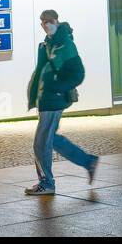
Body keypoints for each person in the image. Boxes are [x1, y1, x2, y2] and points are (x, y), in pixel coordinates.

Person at [25, 10, 98, 196]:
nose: (46, 25)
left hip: (54, 100)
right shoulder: (46, 45)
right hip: (46, 100)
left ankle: (47, 183)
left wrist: (57, 87)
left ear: (57, 21)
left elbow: (78, 73)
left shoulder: (65, 44)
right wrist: (34, 95)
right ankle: (88, 161)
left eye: (49, 21)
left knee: (41, 144)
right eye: (43, 22)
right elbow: (41, 70)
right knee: (52, 140)